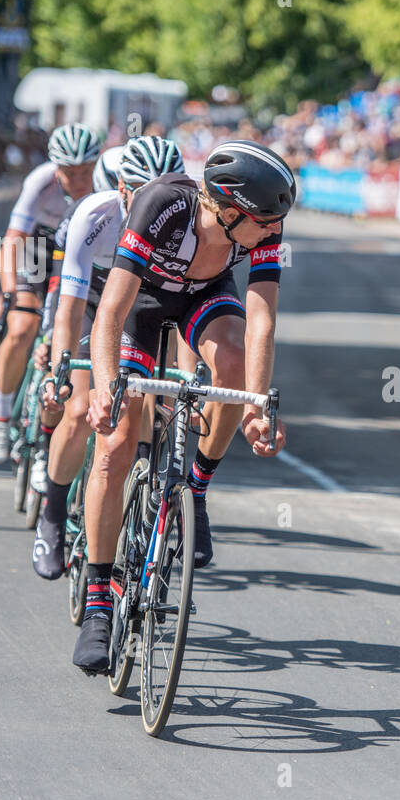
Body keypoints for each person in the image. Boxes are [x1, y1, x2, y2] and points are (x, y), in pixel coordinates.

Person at [72, 139, 292, 674]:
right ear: (232, 208)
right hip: (139, 307)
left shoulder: (265, 224)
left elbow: (261, 319)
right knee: (117, 442)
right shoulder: (161, 205)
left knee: (233, 365)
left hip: (204, 296)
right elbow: (110, 313)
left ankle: (195, 486)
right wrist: (105, 388)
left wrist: (258, 406)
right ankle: (100, 596)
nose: (273, 231)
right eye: (264, 222)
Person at [31, 137, 186, 579]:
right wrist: (61, 366)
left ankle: (133, 494)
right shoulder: (94, 216)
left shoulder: (184, 219)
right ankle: (54, 514)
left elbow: (177, 313)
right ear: (121, 189)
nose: (157, 202)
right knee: (80, 409)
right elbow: (70, 304)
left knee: (150, 409)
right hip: (93, 301)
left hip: (143, 306)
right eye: (142, 190)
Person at [0, 123, 100, 464]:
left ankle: (50, 436)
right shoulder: (41, 181)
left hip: (78, 252)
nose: (79, 181)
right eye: (69, 173)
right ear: (55, 167)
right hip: (38, 249)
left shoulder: (105, 182)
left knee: (69, 332)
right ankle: (1, 416)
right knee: (21, 328)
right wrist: (10, 295)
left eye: (86, 172)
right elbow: (13, 241)